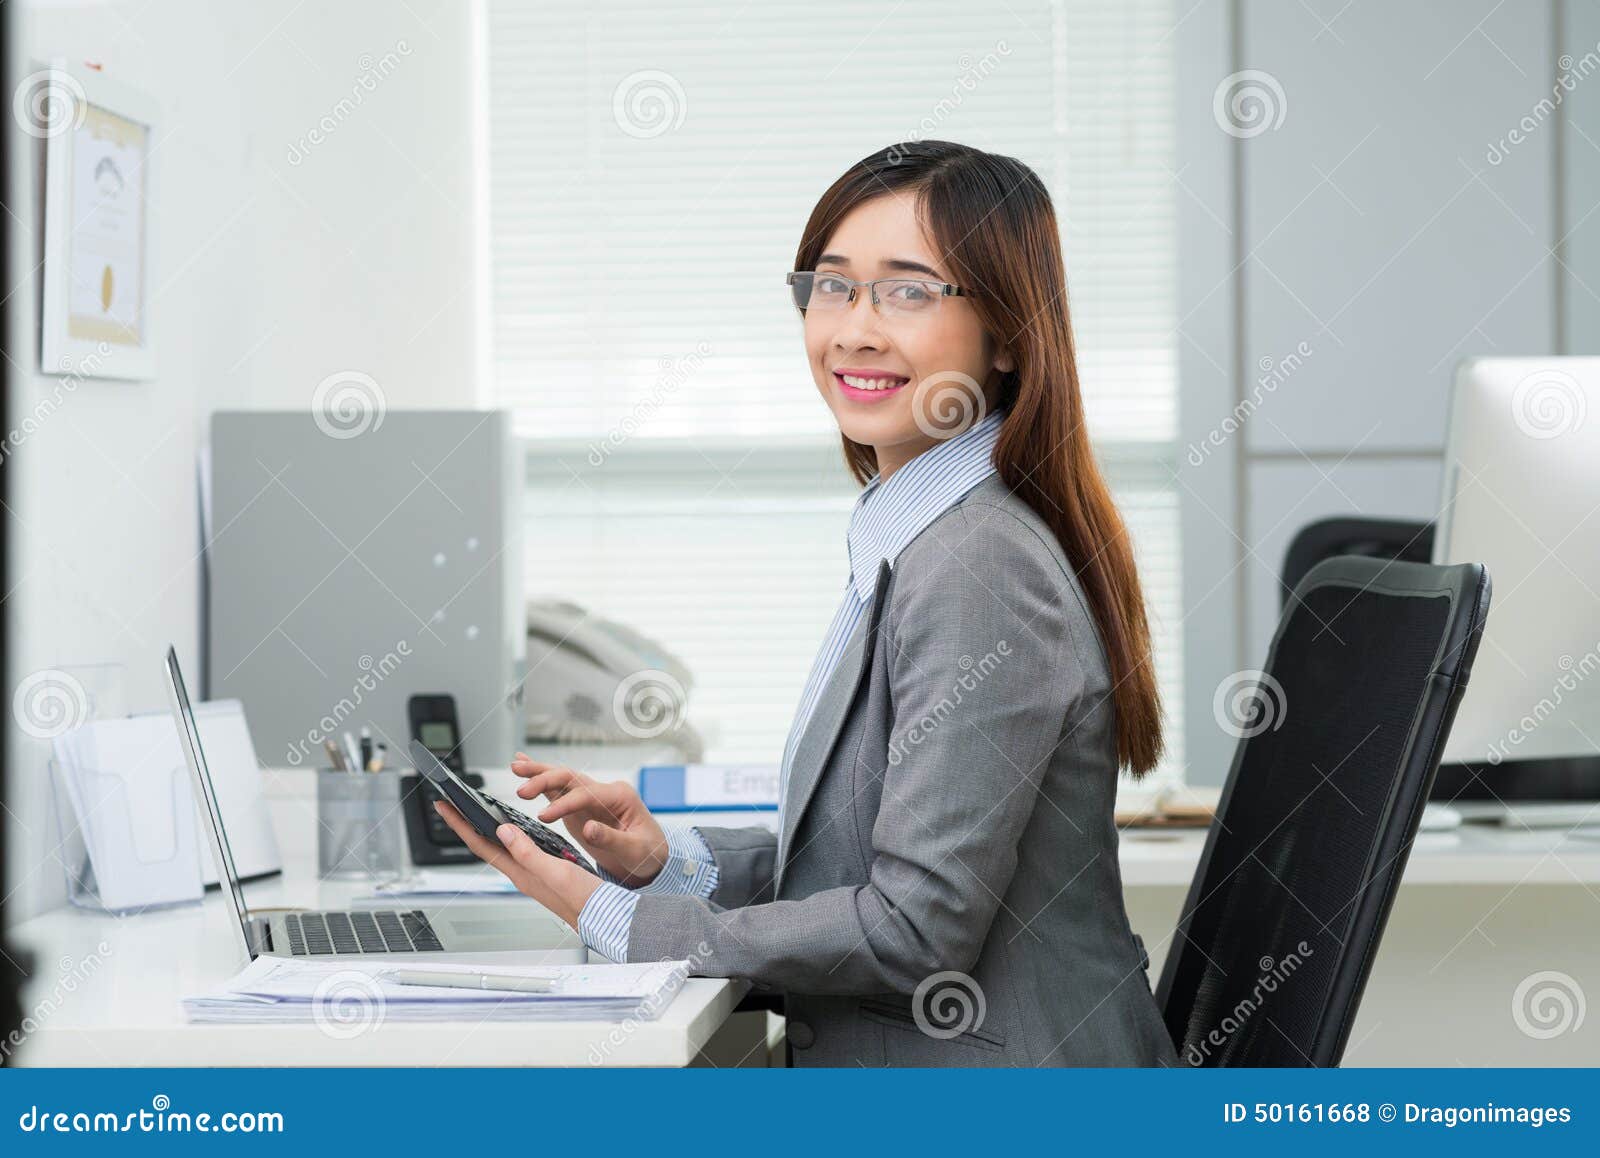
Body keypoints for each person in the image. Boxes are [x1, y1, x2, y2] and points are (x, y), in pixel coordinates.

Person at [437, 140, 1178, 1067]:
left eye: (908, 291)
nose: (854, 330)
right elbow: (865, 859)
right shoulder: (919, 532)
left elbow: (911, 928)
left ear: (1010, 334)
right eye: (832, 286)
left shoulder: (981, 565)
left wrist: (615, 916)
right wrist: (670, 864)